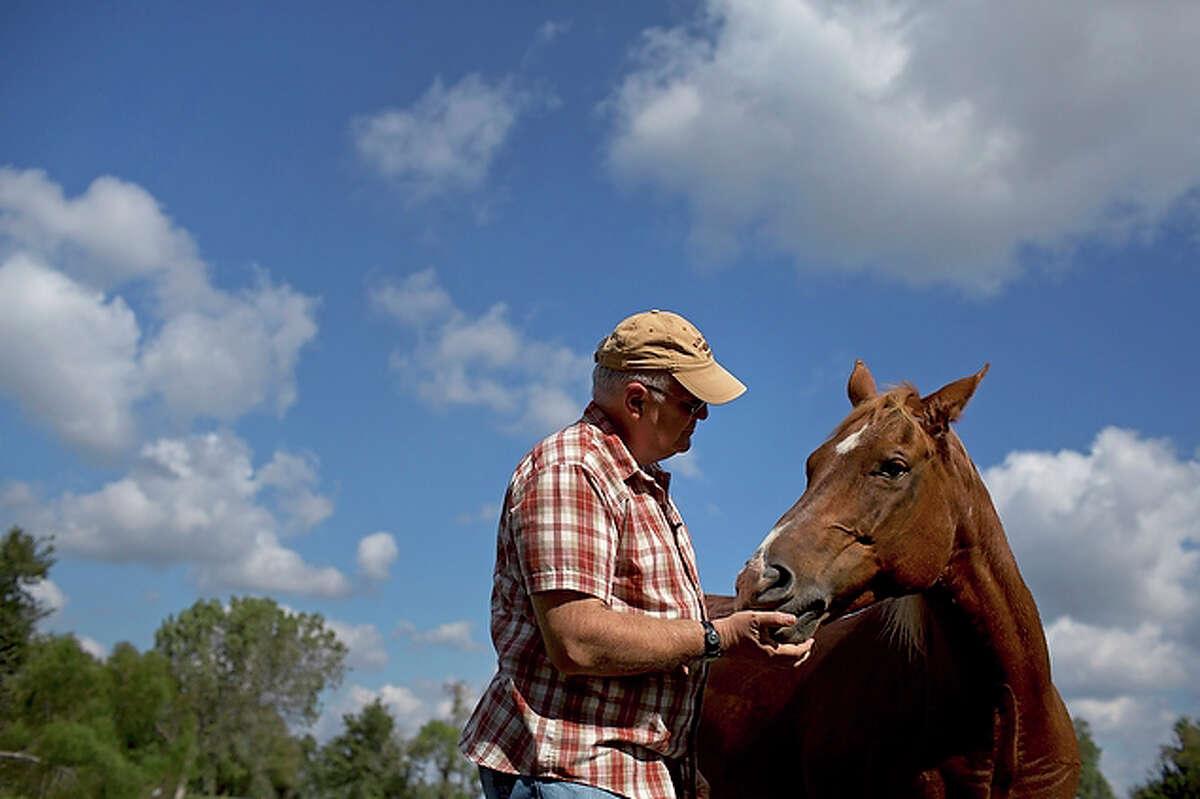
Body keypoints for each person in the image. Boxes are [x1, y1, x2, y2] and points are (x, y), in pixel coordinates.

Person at [459, 310, 812, 799]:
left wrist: (742, 613)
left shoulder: (635, 484)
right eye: (692, 404)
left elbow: (645, 615)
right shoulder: (574, 471)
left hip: (611, 776)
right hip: (572, 772)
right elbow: (577, 639)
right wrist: (721, 636)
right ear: (637, 400)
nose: (703, 417)